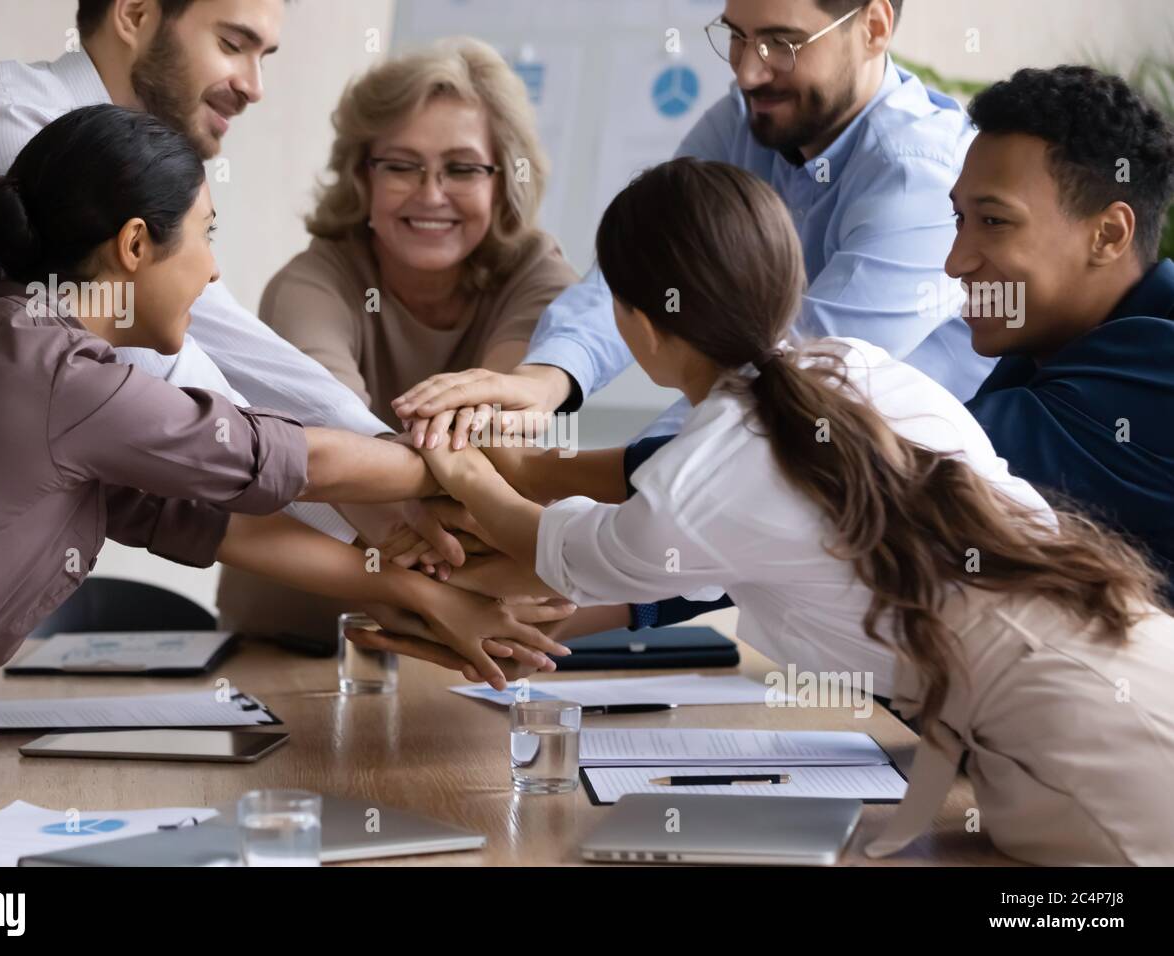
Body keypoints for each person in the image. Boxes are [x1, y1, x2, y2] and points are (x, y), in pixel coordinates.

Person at [411, 158, 1174, 865]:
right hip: (1131, 661)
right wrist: (501, 471)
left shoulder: (703, 473)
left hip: (1091, 744)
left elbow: (565, 550)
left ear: (636, 324)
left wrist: (461, 472)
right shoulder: (856, 370)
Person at [0, 106, 574, 737]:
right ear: (136, 245)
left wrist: (413, 589)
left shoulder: (7, 346)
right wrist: (452, 464)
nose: (212, 273)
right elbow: (266, 458)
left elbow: (200, 520)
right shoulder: (57, 376)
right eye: (207, 236)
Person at [0, 0, 465, 572]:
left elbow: (222, 335)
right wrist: (392, 500)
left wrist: (384, 458)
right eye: (233, 44)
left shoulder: (107, 161)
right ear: (135, 14)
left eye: (266, 56)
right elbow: (178, 396)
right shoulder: (18, 133)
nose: (254, 85)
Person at [392, 0, 994, 455]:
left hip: (907, 500)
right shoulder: (745, 120)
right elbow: (642, 263)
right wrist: (546, 380)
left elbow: (788, 384)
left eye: (781, 44)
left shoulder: (920, 178)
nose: (748, 74)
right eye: (736, 37)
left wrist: (581, 488)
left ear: (876, 26)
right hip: (782, 470)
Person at [218, 39, 578, 640]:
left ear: (503, 178)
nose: (431, 193)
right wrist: (457, 581)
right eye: (402, 165)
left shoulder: (538, 273)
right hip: (299, 629)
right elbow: (328, 440)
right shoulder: (312, 282)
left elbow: (496, 428)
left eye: (461, 168)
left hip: (480, 614)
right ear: (363, 174)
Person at [952, 66, 1174, 596]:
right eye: (959, 220)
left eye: (995, 221)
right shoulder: (1040, 352)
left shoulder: (1159, 362)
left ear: (1109, 235)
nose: (955, 262)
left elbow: (890, 466)